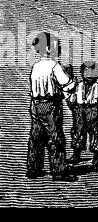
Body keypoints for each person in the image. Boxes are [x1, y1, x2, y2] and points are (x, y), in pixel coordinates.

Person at [27, 32, 74, 180]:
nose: (59, 48)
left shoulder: (35, 67)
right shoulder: (54, 65)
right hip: (50, 105)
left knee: (36, 137)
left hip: (35, 105)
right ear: (48, 48)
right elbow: (67, 84)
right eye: (57, 46)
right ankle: (59, 170)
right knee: (55, 138)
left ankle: (34, 169)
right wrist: (72, 79)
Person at [68, 60, 98, 170]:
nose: (89, 77)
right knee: (78, 132)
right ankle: (76, 155)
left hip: (94, 111)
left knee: (97, 133)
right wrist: (75, 108)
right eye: (86, 74)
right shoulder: (78, 86)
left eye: (92, 74)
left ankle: (96, 157)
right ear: (82, 74)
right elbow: (71, 99)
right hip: (80, 111)